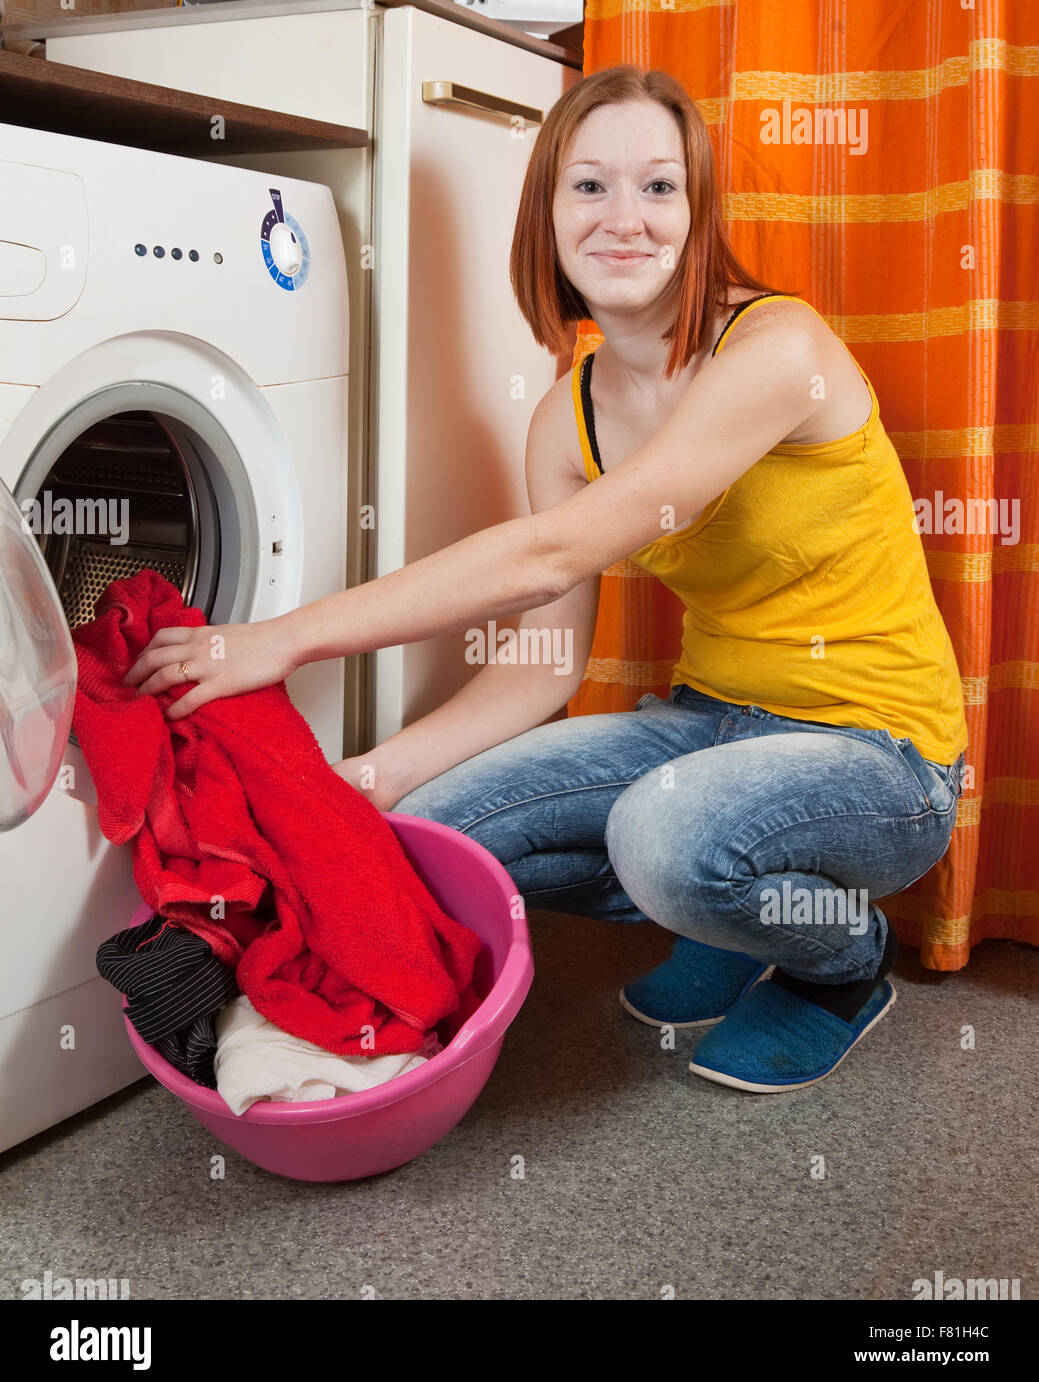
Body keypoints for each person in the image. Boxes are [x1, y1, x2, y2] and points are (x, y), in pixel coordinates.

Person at [121, 65, 968, 1094]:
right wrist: (367, 785)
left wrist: (279, 637)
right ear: (548, 213)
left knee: (664, 838)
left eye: (659, 187)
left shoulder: (778, 348)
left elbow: (550, 554)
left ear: (697, 213)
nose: (625, 218)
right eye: (589, 187)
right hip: (709, 727)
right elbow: (538, 669)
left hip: (879, 757)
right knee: (427, 834)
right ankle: (731, 906)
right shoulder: (564, 421)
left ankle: (838, 958)